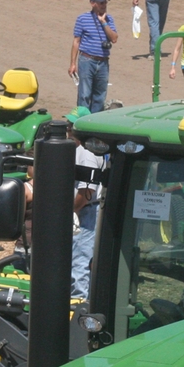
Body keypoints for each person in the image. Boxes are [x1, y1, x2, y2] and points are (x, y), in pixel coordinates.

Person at [68, 106, 104, 298]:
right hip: (84, 210)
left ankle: (78, 303)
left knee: (80, 260)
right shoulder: (80, 150)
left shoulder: (87, 152)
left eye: (71, 126)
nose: (68, 130)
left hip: (85, 211)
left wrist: (71, 210)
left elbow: (86, 191)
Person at [70, 0, 117, 113]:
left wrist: (104, 23)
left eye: (105, 2)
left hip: (103, 62)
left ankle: (93, 123)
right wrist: (73, 64)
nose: (104, 5)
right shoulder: (82, 19)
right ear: (93, 3)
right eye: (101, 2)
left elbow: (114, 38)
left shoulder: (109, 19)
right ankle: (81, 122)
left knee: (100, 96)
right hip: (87, 60)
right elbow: (76, 42)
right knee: (84, 94)